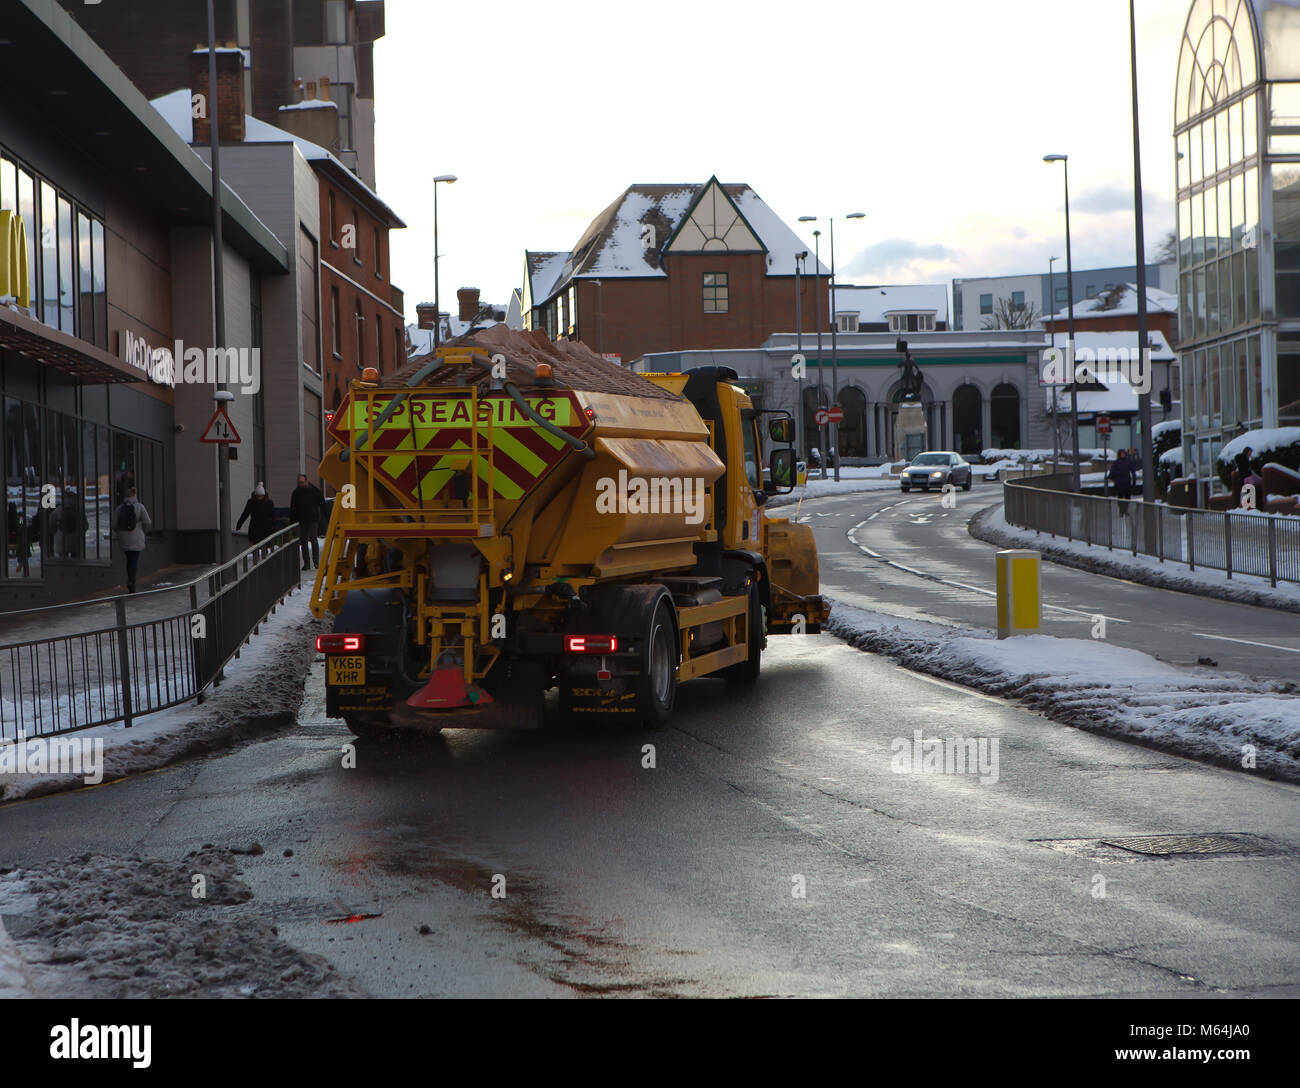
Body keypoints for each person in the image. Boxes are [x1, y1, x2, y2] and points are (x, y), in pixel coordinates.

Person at [114, 487, 152, 593]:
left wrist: (120, 533)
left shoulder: (120, 508)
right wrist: (144, 532)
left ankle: (130, 577)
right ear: (135, 495)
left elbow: (113, 524)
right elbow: (147, 522)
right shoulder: (139, 507)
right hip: (136, 537)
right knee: (134, 558)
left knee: (129, 558)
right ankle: (132, 580)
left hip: (124, 538)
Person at [290, 472, 327, 570]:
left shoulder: (314, 491)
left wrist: (329, 517)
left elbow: (323, 505)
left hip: (313, 519)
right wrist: (292, 523)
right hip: (302, 520)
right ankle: (307, 563)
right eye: (299, 483)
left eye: (302, 482)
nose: (300, 485)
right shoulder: (296, 493)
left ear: (306, 481)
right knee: (304, 541)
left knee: (313, 540)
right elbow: (293, 509)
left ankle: (316, 562)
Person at [1109, 449, 1134, 513]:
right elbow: (1112, 472)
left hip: (1127, 483)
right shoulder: (1116, 462)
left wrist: (1134, 481)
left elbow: (1133, 471)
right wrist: (1119, 473)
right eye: (1121, 453)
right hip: (1119, 483)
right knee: (1120, 497)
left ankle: (1125, 509)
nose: (1123, 455)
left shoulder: (1128, 462)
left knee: (1127, 497)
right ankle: (1121, 510)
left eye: (1124, 453)